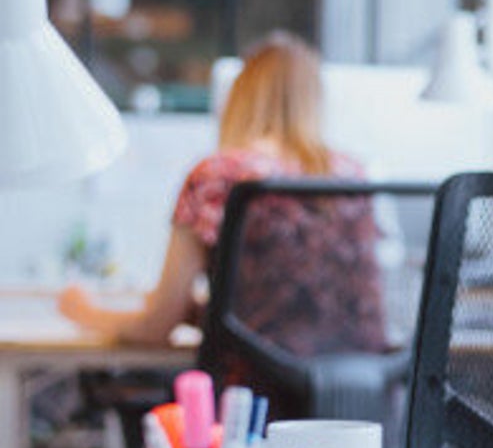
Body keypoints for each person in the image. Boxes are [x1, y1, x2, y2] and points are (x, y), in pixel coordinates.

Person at [58, 33, 387, 404]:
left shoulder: (218, 176)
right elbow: (307, 310)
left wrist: (83, 310)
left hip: (253, 409)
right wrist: (207, 314)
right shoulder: (353, 176)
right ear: (315, 101)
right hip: (358, 407)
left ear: (241, 99)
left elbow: (156, 326)